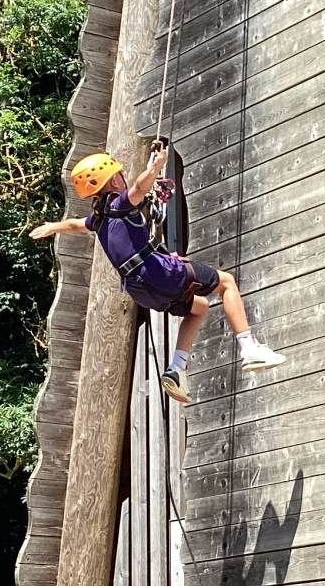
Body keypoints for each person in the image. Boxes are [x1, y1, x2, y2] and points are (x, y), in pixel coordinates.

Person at [30, 142, 284, 404]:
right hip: (156, 272)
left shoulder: (99, 217)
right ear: (113, 180)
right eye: (118, 174)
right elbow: (140, 187)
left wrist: (53, 227)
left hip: (140, 291)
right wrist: (155, 168)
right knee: (227, 282)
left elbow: (75, 224)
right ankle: (250, 348)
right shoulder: (121, 202)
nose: (122, 176)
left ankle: (177, 368)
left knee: (199, 307)